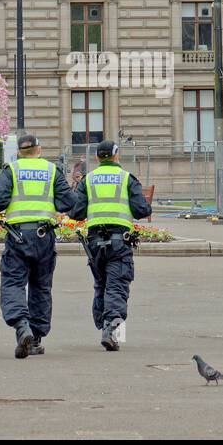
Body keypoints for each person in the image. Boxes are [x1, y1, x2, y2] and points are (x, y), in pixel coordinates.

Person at [0, 133, 76, 358]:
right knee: (41, 287)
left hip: (17, 236)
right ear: (39, 149)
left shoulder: (12, 170)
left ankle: (22, 326)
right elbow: (68, 201)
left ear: (19, 152)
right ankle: (36, 339)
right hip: (43, 235)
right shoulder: (51, 170)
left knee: (13, 283)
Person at [68, 141, 152, 351]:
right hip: (119, 241)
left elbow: (76, 212)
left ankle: (103, 325)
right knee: (118, 285)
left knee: (101, 284)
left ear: (97, 158)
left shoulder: (89, 179)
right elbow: (142, 210)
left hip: (95, 241)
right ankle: (112, 329)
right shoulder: (126, 178)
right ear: (116, 156)